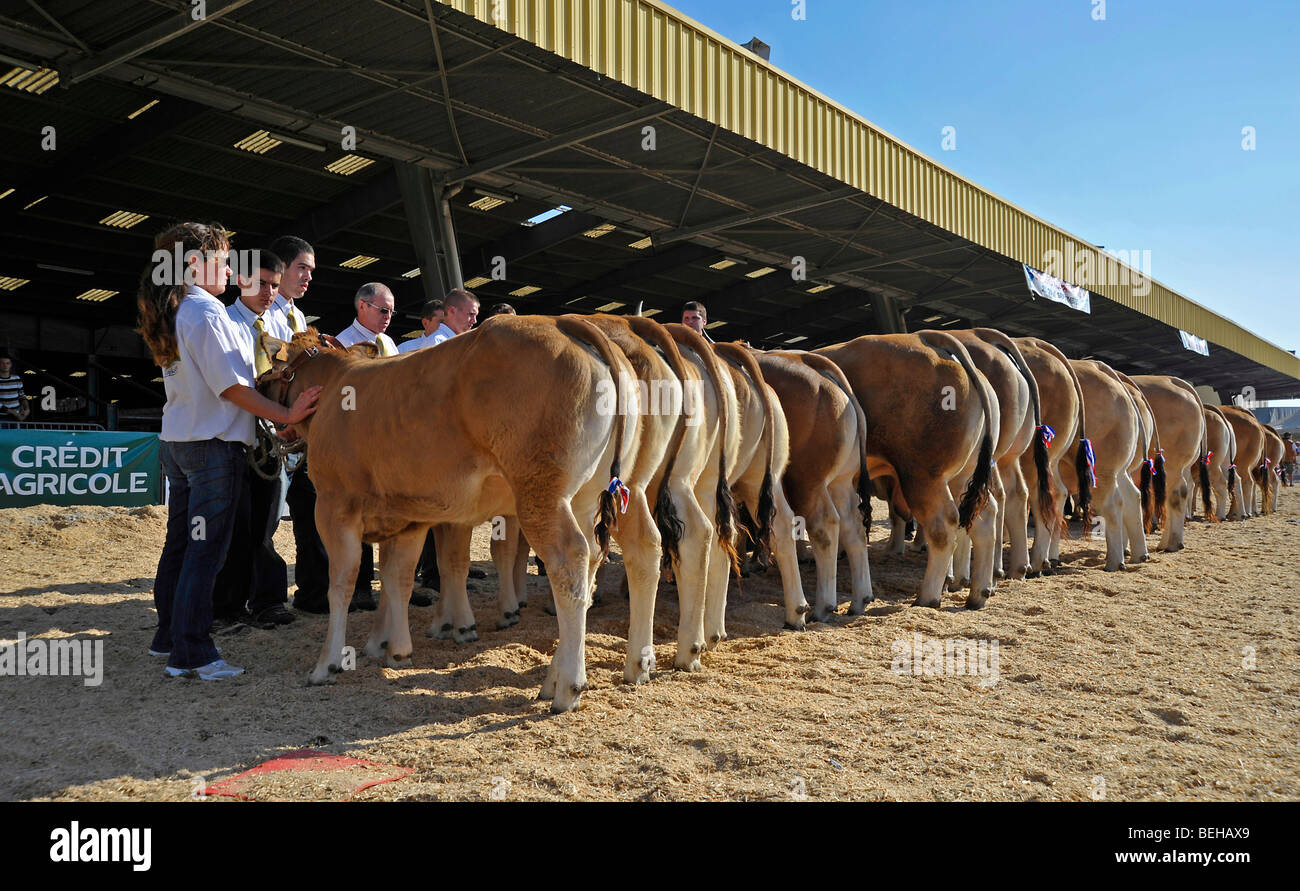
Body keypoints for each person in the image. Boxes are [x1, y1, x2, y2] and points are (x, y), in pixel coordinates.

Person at [136, 222, 320, 680]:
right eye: (222, 259)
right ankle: (193, 651)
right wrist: (289, 414)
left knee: (180, 543)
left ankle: (169, 637)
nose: (227, 267)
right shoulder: (207, 311)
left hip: (178, 441)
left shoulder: (176, 309)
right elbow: (233, 388)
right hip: (213, 446)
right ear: (196, 264)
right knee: (205, 551)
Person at [211, 250, 296, 630]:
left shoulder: (278, 325)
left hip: (270, 440)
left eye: (275, 285)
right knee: (236, 525)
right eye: (261, 283)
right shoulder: (223, 322)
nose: (269, 292)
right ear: (240, 280)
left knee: (267, 522)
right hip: (233, 434)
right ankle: (227, 606)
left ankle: (268, 601)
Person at [266, 236, 331, 615]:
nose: (308, 277)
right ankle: (267, 600)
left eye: (310, 271)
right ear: (282, 268)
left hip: (301, 430)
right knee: (269, 520)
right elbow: (269, 373)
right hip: (274, 429)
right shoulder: (266, 314)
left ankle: (311, 593)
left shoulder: (297, 317)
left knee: (308, 513)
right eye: (301, 268)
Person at [333, 283, 401, 609]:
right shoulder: (343, 344)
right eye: (383, 310)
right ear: (362, 306)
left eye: (391, 311)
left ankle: (388, 584)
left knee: (385, 511)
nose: (388, 317)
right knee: (358, 513)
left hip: (388, 441)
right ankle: (358, 588)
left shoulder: (387, 342)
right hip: (357, 441)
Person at [0, 354, 30, 420]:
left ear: (11, 365)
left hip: (17, 416)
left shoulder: (16, 378)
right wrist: (14, 413)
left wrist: (27, 409)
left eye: (7, 363)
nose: (5, 365)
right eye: (2, 363)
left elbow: (22, 396)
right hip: (2, 417)